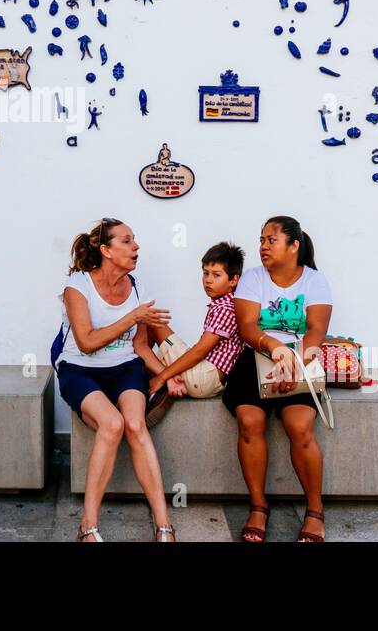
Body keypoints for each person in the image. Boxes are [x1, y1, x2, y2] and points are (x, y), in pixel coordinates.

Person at [55, 217, 176, 542]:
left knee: (135, 425)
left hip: (125, 368)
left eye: (134, 239)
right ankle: (88, 526)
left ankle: (164, 524)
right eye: (126, 241)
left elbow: (139, 345)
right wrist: (132, 316)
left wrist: (166, 375)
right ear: (106, 250)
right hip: (79, 369)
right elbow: (87, 342)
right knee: (112, 425)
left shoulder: (137, 288)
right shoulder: (78, 287)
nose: (135, 246)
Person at [222, 216, 333, 543]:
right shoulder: (253, 278)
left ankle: (315, 511)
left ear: (294, 245)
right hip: (257, 357)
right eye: (261, 240)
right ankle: (258, 506)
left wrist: (297, 361)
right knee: (250, 420)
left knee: (299, 426)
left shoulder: (314, 280)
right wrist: (277, 351)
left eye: (271, 239)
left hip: (302, 359)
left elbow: (316, 330)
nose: (263, 246)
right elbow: (247, 326)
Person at [142, 242, 247, 421]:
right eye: (205, 273)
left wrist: (161, 376)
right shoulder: (231, 304)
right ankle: (164, 387)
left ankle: (154, 385)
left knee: (152, 323)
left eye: (216, 275)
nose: (208, 280)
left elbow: (200, 351)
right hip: (209, 381)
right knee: (153, 335)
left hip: (204, 377)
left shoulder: (225, 308)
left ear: (233, 280)